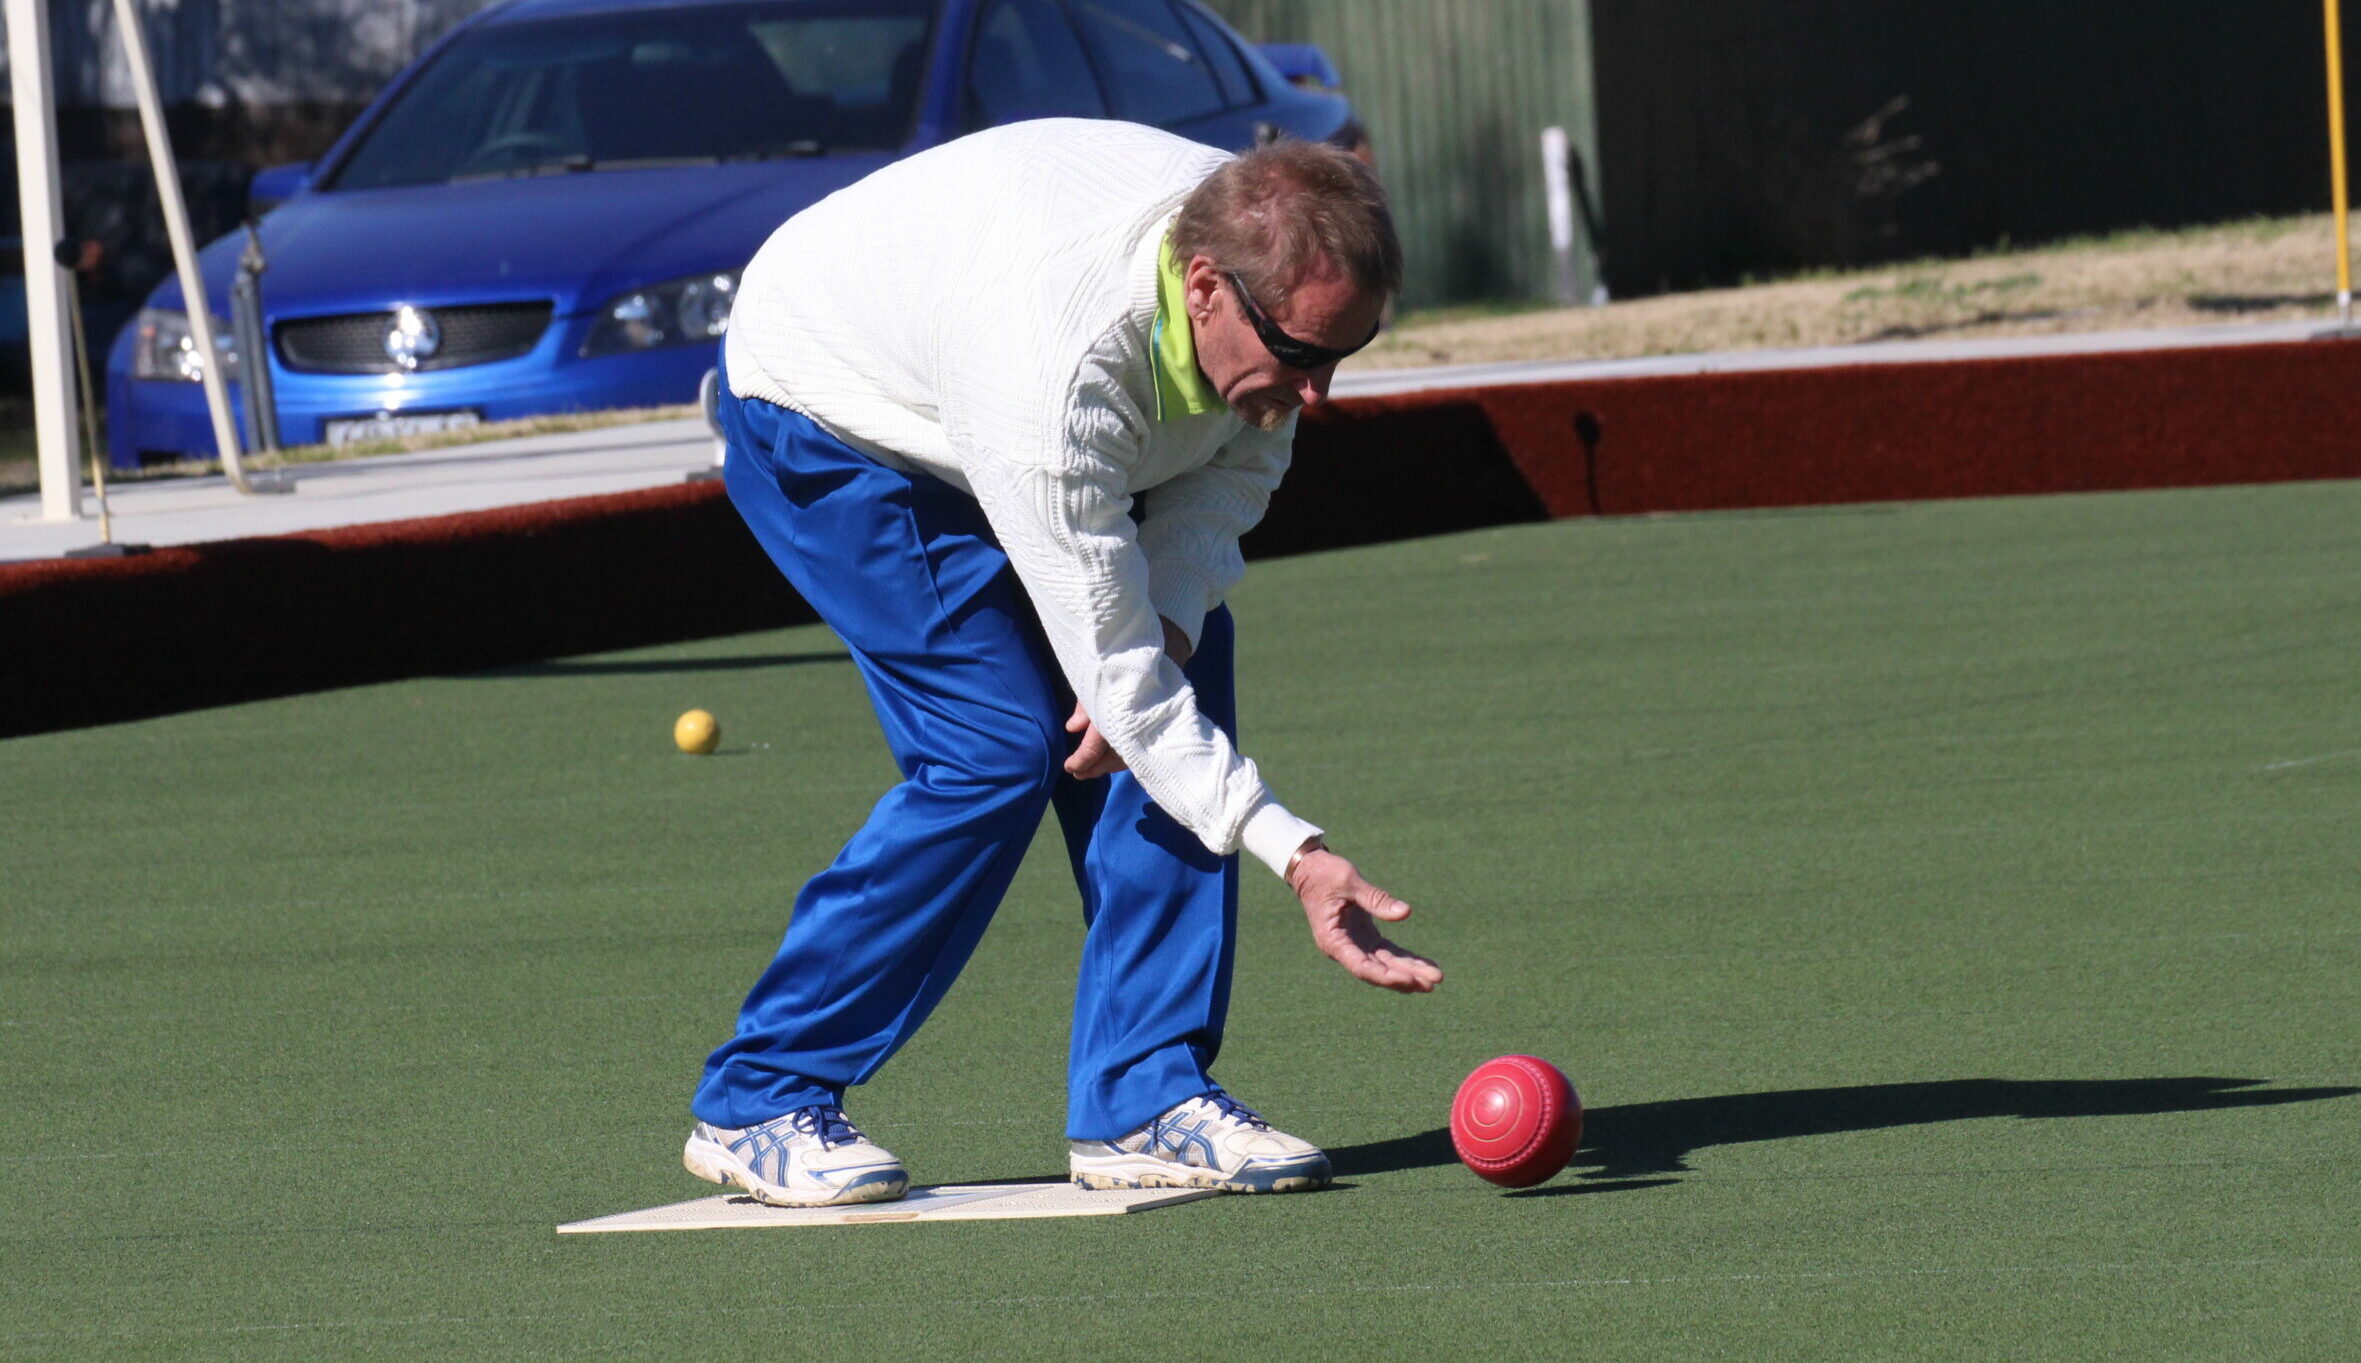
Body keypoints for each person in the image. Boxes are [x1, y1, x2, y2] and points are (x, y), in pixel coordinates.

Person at [683, 119, 1441, 1209]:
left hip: (986, 378)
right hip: (830, 409)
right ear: (1205, 289)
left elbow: (1232, 476)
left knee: (1170, 673)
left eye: (1346, 355)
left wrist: (1169, 621)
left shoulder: (1265, 304)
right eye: (1303, 357)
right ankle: (761, 1095)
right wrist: (1297, 851)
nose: (1319, 394)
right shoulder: (1060, 365)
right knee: (995, 745)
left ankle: (1145, 1092)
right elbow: (1123, 684)